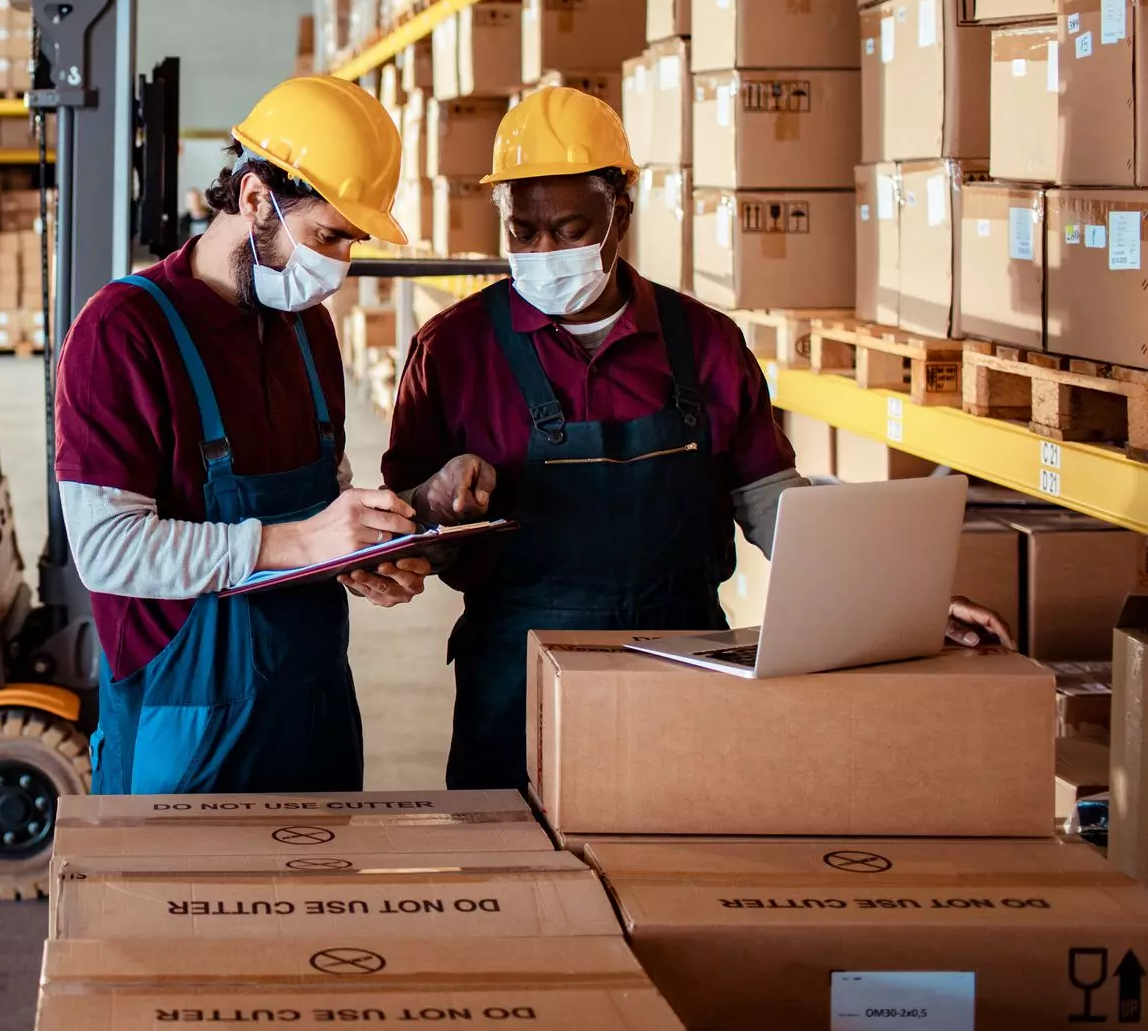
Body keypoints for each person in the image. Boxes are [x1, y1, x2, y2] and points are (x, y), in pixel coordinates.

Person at [380, 86, 1015, 792]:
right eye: (521, 232)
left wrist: (901, 599)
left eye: (567, 229)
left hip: (682, 651)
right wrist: (432, 501)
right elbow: (398, 524)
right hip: (515, 664)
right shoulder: (452, 350)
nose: (542, 252)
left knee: (678, 844)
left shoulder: (703, 341)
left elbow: (772, 500)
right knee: (507, 859)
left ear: (619, 211)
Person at [53, 75, 431, 797]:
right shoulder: (122, 332)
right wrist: (300, 543)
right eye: (326, 236)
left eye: (349, 243)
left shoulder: (307, 330)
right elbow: (105, 551)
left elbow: (321, 500)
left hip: (313, 705)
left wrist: (360, 550)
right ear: (256, 198)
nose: (337, 267)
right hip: (185, 721)